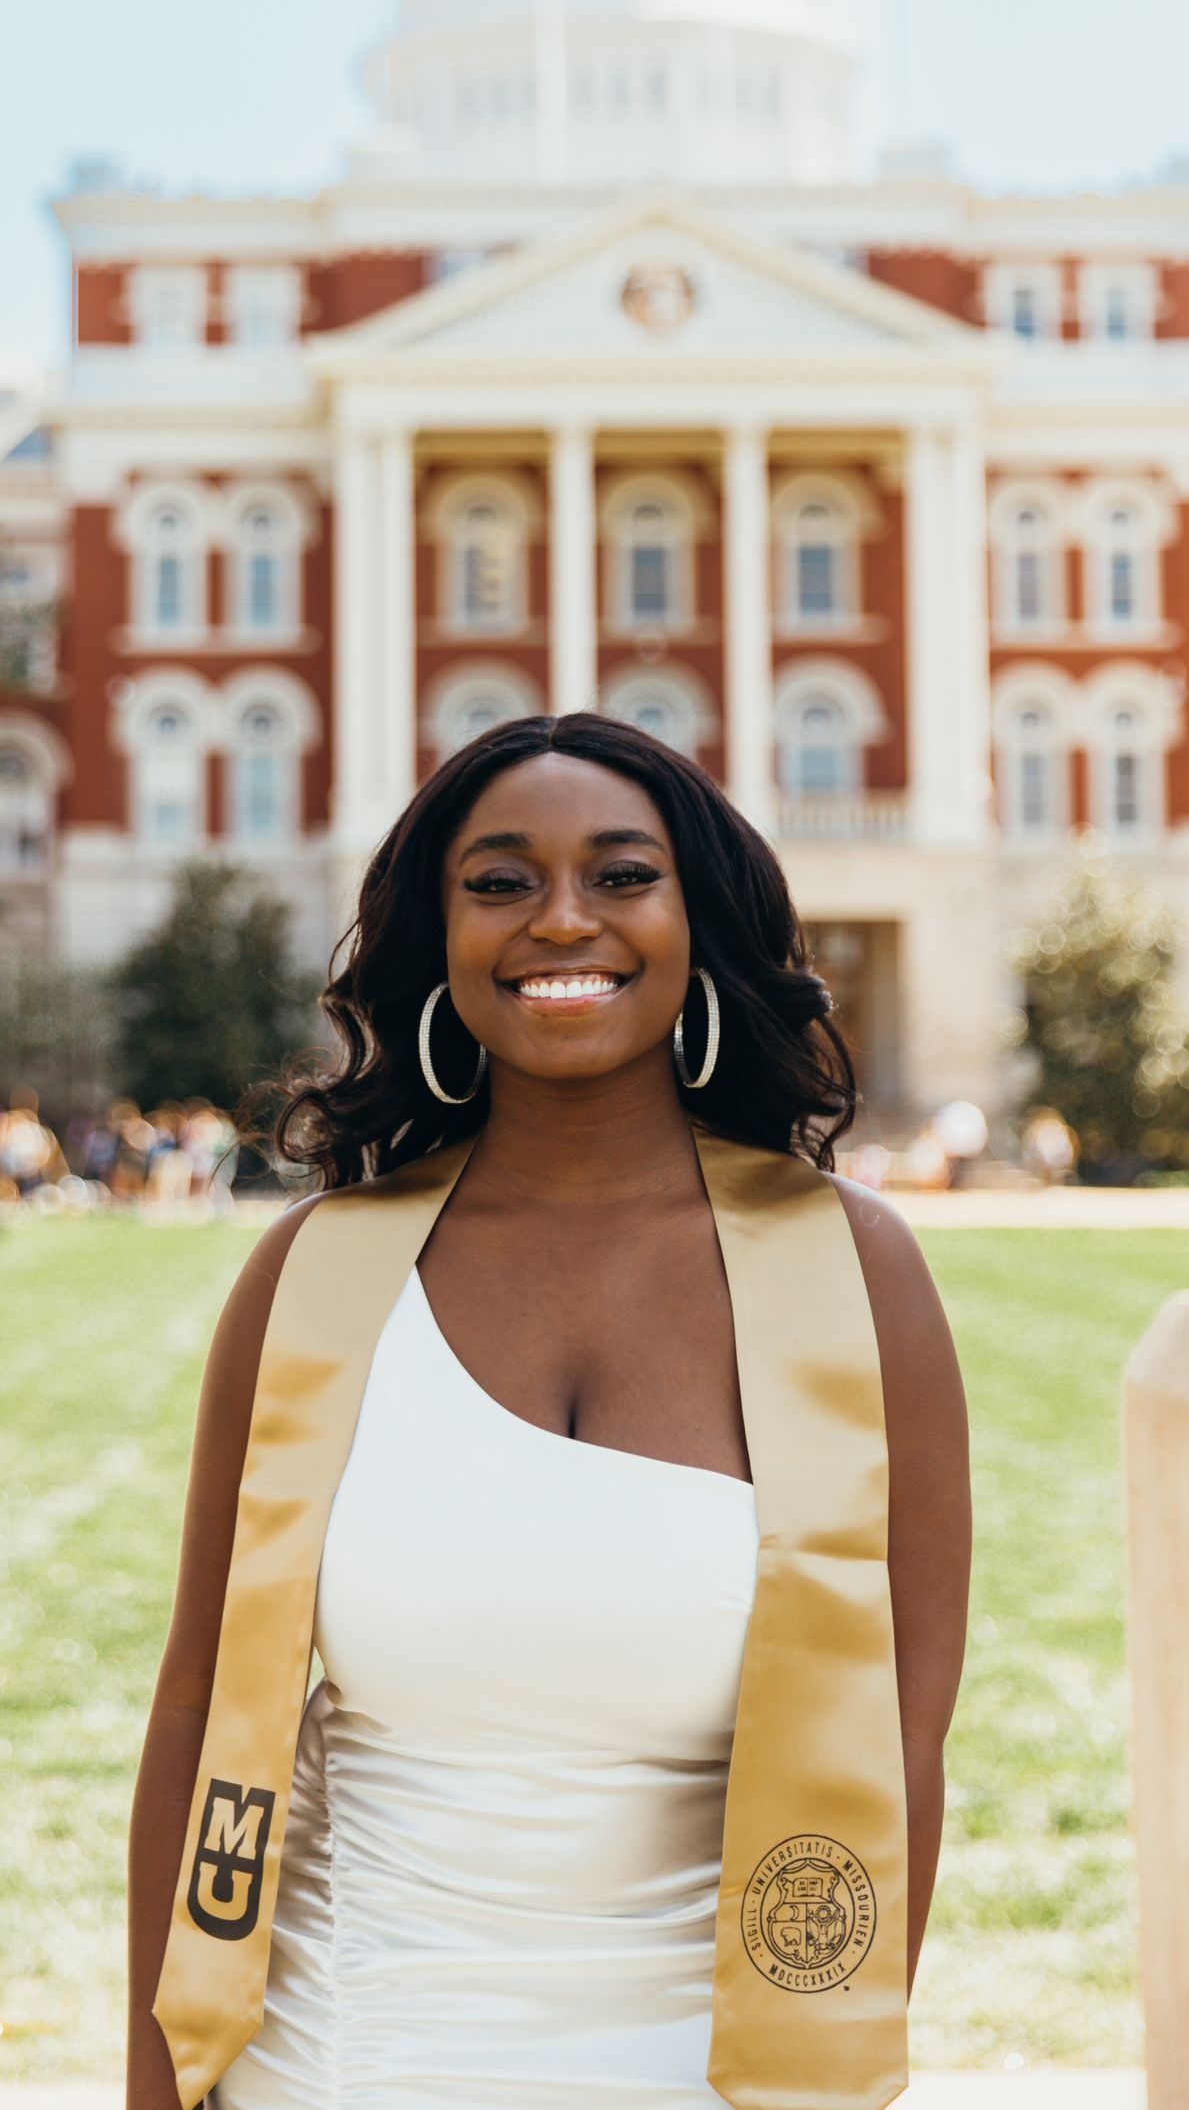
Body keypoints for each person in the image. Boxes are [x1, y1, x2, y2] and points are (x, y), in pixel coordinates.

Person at [125, 712, 972, 2110]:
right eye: (502, 881)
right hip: (338, 2060)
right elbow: (197, 1714)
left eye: (624, 876)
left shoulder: (851, 1273)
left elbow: (900, 1749)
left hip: (712, 2075)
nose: (562, 920)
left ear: (697, 922)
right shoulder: (316, 1278)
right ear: (438, 939)